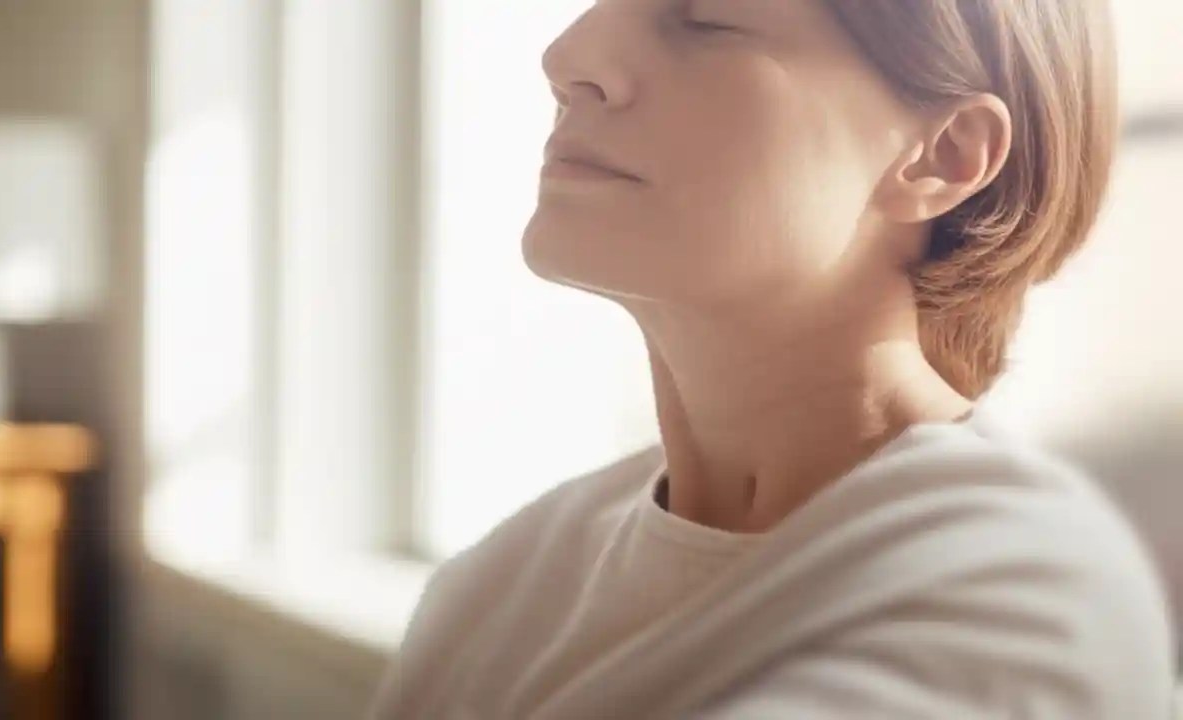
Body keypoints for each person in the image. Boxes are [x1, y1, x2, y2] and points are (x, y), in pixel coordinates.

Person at [371, 0, 1178, 717]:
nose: (569, 55)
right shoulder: (506, 581)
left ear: (944, 155)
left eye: (709, 19)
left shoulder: (1023, 595)